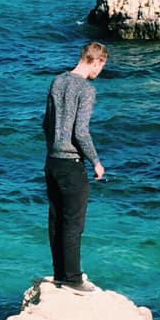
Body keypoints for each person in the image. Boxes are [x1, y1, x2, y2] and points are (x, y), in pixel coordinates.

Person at [42, 41, 107, 291]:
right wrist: (96, 161)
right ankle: (72, 279)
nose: (99, 72)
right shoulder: (86, 89)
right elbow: (80, 132)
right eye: (102, 66)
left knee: (56, 219)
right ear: (96, 61)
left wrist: (54, 148)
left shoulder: (57, 81)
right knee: (73, 222)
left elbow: (46, 123)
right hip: (71, 164)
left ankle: (60, 273)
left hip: (52, 161)